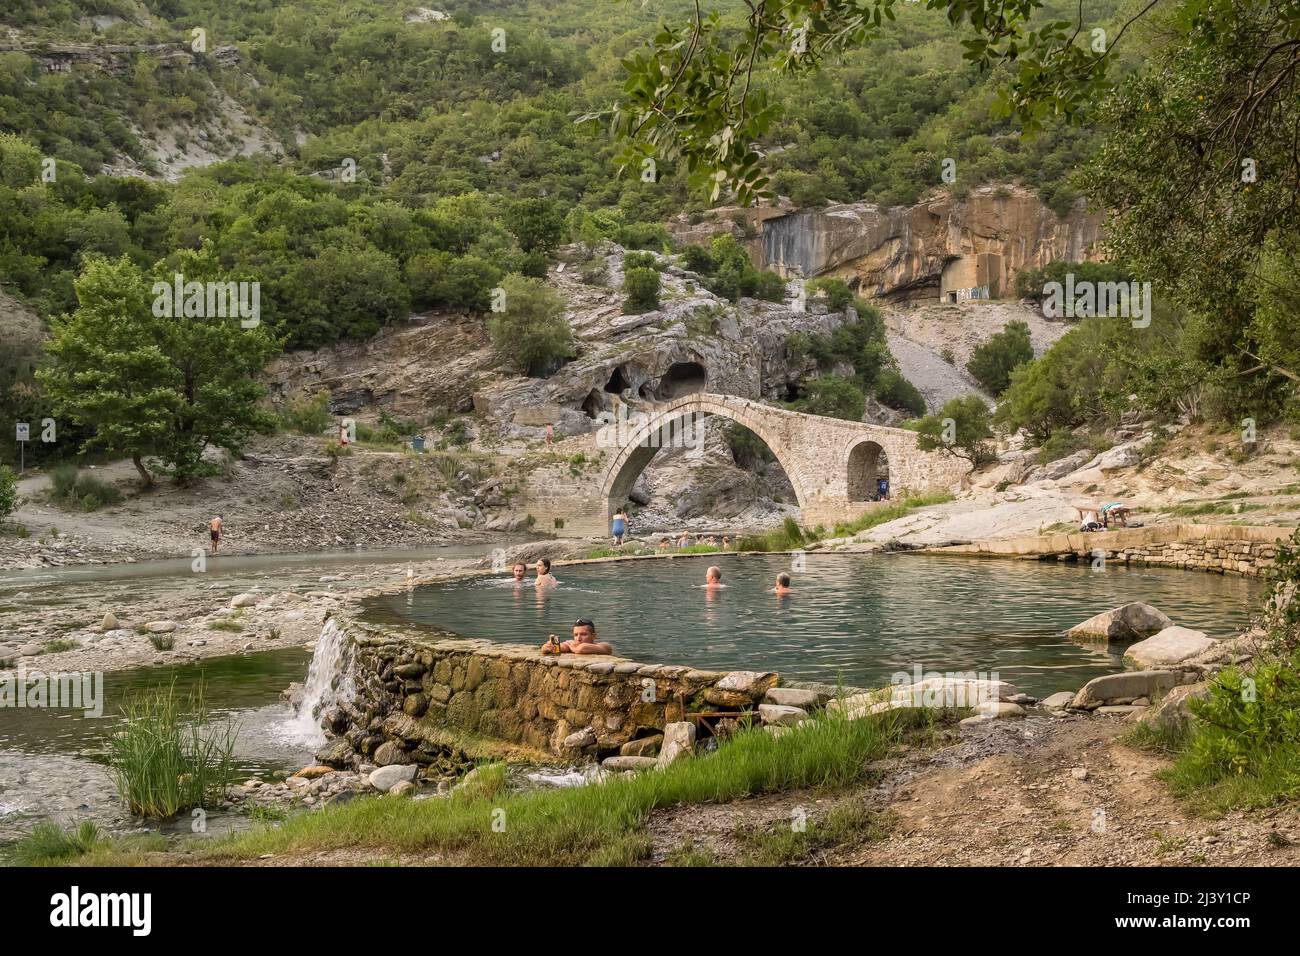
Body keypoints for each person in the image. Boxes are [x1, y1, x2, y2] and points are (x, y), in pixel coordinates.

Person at [541, 618, 612, 656]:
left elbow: (582, 648)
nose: (578, 638)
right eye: (576, 635)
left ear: (593, 636)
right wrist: (548, 647)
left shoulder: (605, 646)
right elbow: (560, 647)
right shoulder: (573, 644)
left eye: (583, 634)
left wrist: (574, 648)